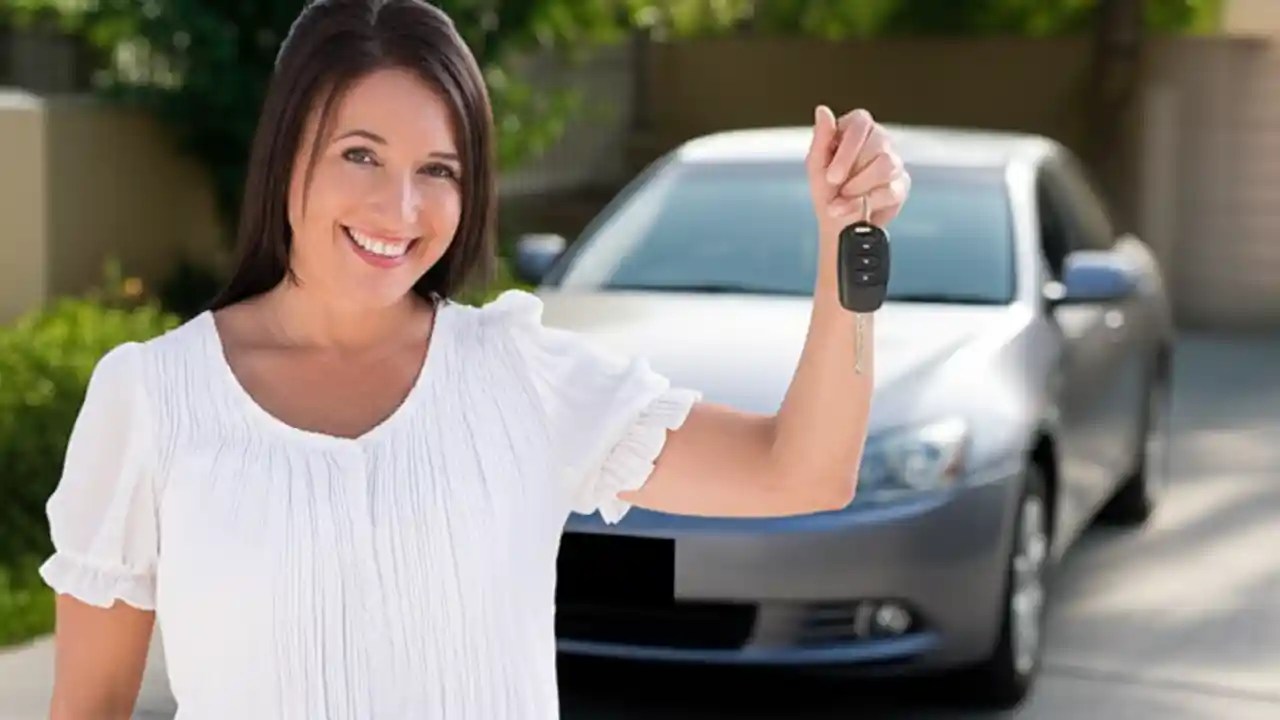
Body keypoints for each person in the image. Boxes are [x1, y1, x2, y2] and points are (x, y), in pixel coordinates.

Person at [38, 0, 909, 717]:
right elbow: (90, 707)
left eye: (440, 170)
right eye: (360, 155)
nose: (400, 206)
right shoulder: (152, 397)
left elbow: (800, 471)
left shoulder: (519, 376)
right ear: (286, 155)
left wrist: (851, 245)